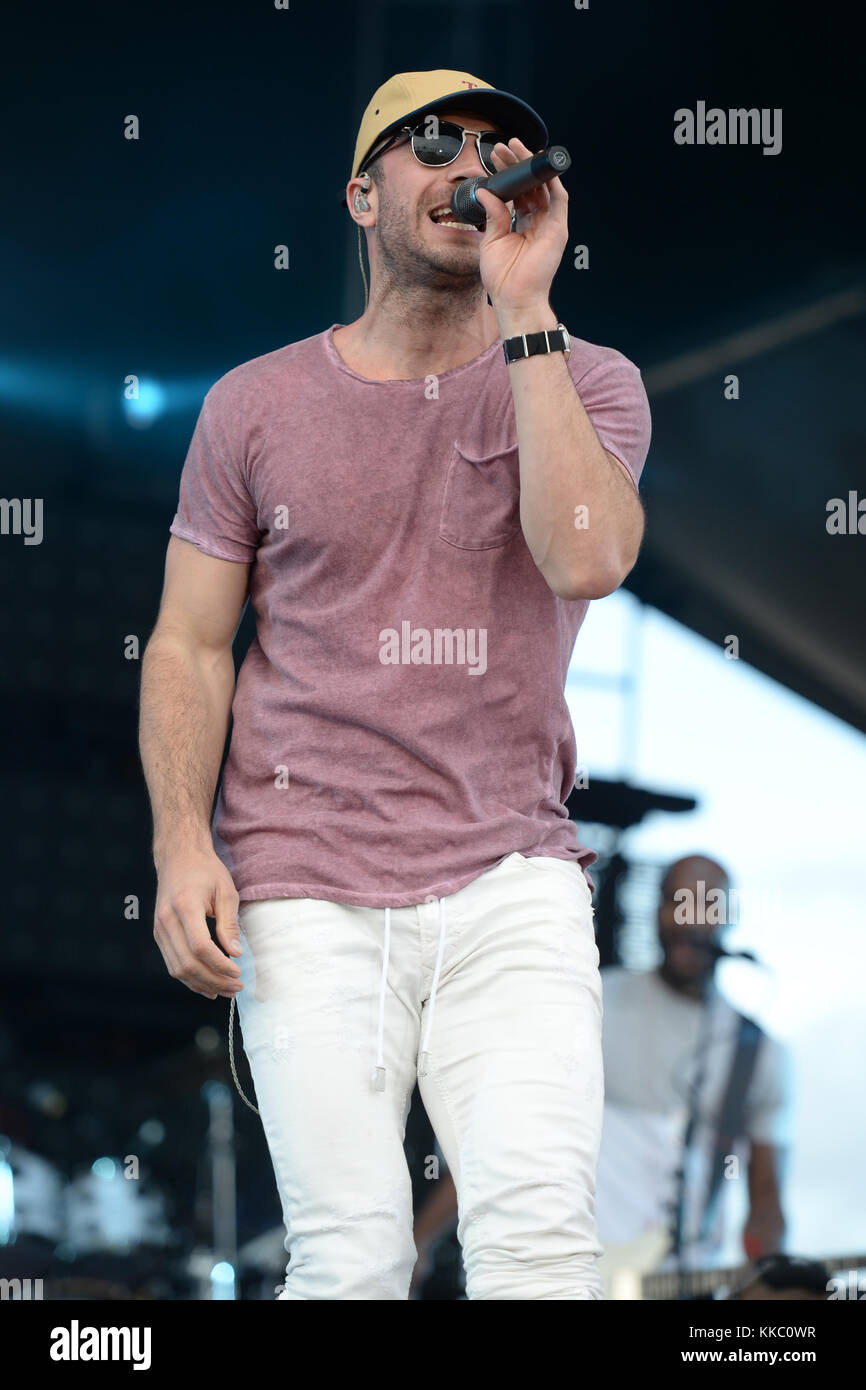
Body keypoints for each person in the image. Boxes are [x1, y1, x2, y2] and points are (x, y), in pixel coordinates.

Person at [139, 67, 652, 1300]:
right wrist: (177, 845)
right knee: (353, 1257)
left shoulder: (588, 381)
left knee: (538, 1252)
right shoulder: (253, 405)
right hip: (303, 876)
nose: (469, 166)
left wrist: (523, 308)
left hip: (511, 876)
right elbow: (189, 644)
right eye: (433, 144)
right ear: (362, 195)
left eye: (497, 148)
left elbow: (585, 556)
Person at [596, 854, 792, 1283]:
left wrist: (768, 1272)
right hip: (571, 1273)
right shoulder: (595, 1000)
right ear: (656, 909)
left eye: (707, 904)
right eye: (677, 900)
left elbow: (765, 1201)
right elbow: (515, 1132)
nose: (690, 919)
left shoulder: (758, 1052)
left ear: (729, 917)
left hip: (681, 1283)